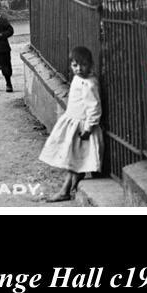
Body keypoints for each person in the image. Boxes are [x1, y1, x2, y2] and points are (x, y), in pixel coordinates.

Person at [40, 46, 104, 202]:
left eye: (83, 65)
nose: (79, 69)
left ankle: (65, 190)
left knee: (75, 160)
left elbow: (94, 107)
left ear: (90, 64)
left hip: (82, 127)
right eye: (75, 65)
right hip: (72, 123)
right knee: (74, 158)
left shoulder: (89, 84)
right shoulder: (78, 79)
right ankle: (72, 185)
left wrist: (88, 128)